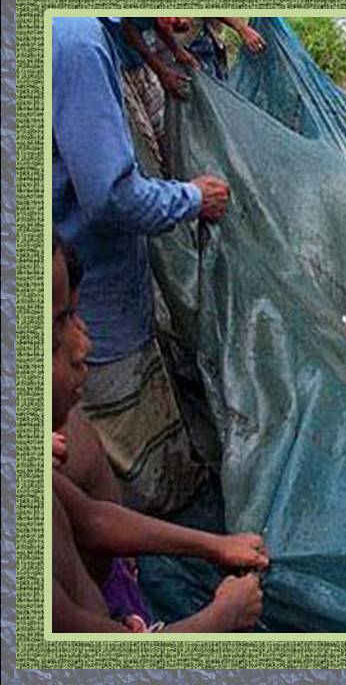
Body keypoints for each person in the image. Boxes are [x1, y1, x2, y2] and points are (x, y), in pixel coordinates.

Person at [53, 16, 230, 516]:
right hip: (98, 307)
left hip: (94, 294)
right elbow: (111, 197)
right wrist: (192, 198)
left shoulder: (82, 31)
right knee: (138, 484)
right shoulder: (77, 41)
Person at [51, 232, 269, 633]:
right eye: (52, 338)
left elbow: (92, 520)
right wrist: (224, 615)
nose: (82, 346)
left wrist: (215, 546)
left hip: (114, 598)